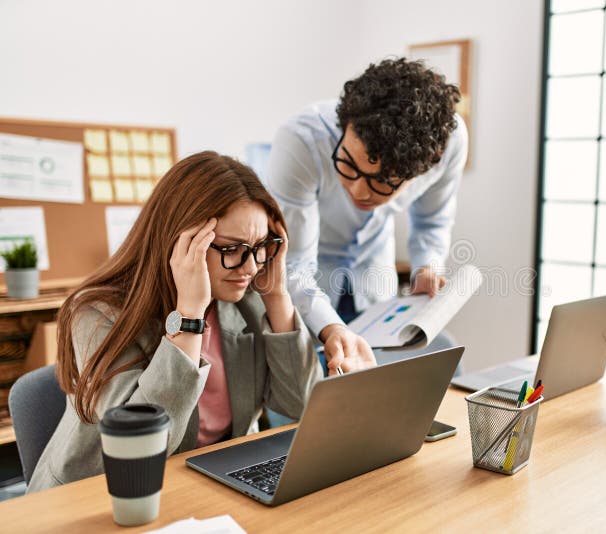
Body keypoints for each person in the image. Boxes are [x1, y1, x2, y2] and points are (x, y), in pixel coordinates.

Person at [28, 151, 375, 493]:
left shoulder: (245, 301)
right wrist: (190, 316)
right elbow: (143, 446)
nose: (252, 267)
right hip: (99, 497)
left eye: (260, 247)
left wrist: (277, 296)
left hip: (201, 488)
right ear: (178, 242)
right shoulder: (97, 312)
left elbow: (301, 406)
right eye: (231, 249)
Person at [265, 58, 468, 371]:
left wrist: (427, 265)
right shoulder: (301, 142)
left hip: (374, 282)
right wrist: (331, 328)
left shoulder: (448, 144)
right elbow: (293, 262)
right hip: (303, 285)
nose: (359, 191)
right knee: (303, 399)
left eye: (382, 182)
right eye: (348, 165)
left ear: (419, 171)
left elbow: (432, 221)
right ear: (344, 126)